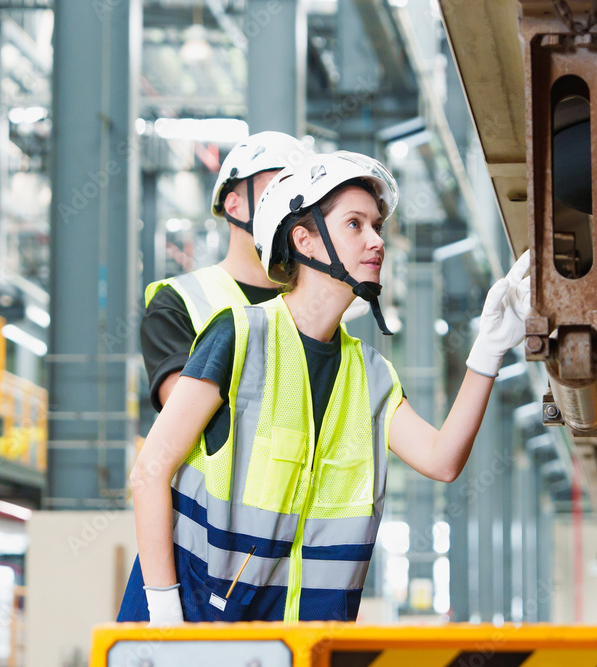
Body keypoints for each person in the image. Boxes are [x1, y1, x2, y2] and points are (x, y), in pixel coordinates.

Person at [118, 151, 530, 624]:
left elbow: (441, 459)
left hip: (300, 642)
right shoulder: (239, 335)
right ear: (305, 240)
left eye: (377, 226)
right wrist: (165, 612)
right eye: (356, 224)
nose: (376, 241)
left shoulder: (370, 375)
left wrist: (488, 351)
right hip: (193, 626)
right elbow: (150, 471)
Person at [140, 131, 312, 412]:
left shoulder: (317, 303)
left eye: (300, 200)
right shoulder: (177, 304)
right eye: (276, 193)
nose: (292, 210)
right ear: (234, 206)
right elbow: (184, 418)